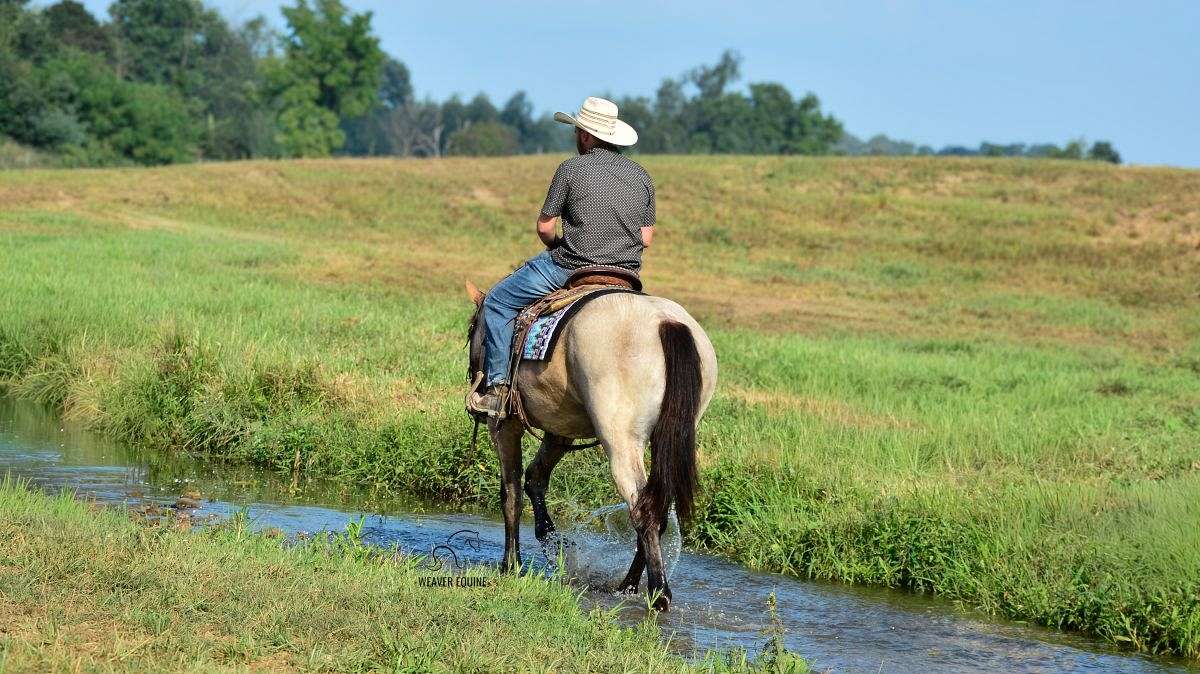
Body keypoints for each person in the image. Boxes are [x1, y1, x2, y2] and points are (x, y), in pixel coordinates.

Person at [467, 96, 657, 417]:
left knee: (498, 301)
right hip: (627, 275)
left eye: (576, 132)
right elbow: (646, 238)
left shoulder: (570, 168)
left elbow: (544, 227)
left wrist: (556, 243)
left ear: (585, 135)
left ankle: (498, 390)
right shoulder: (642, 177)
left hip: (570, 267)